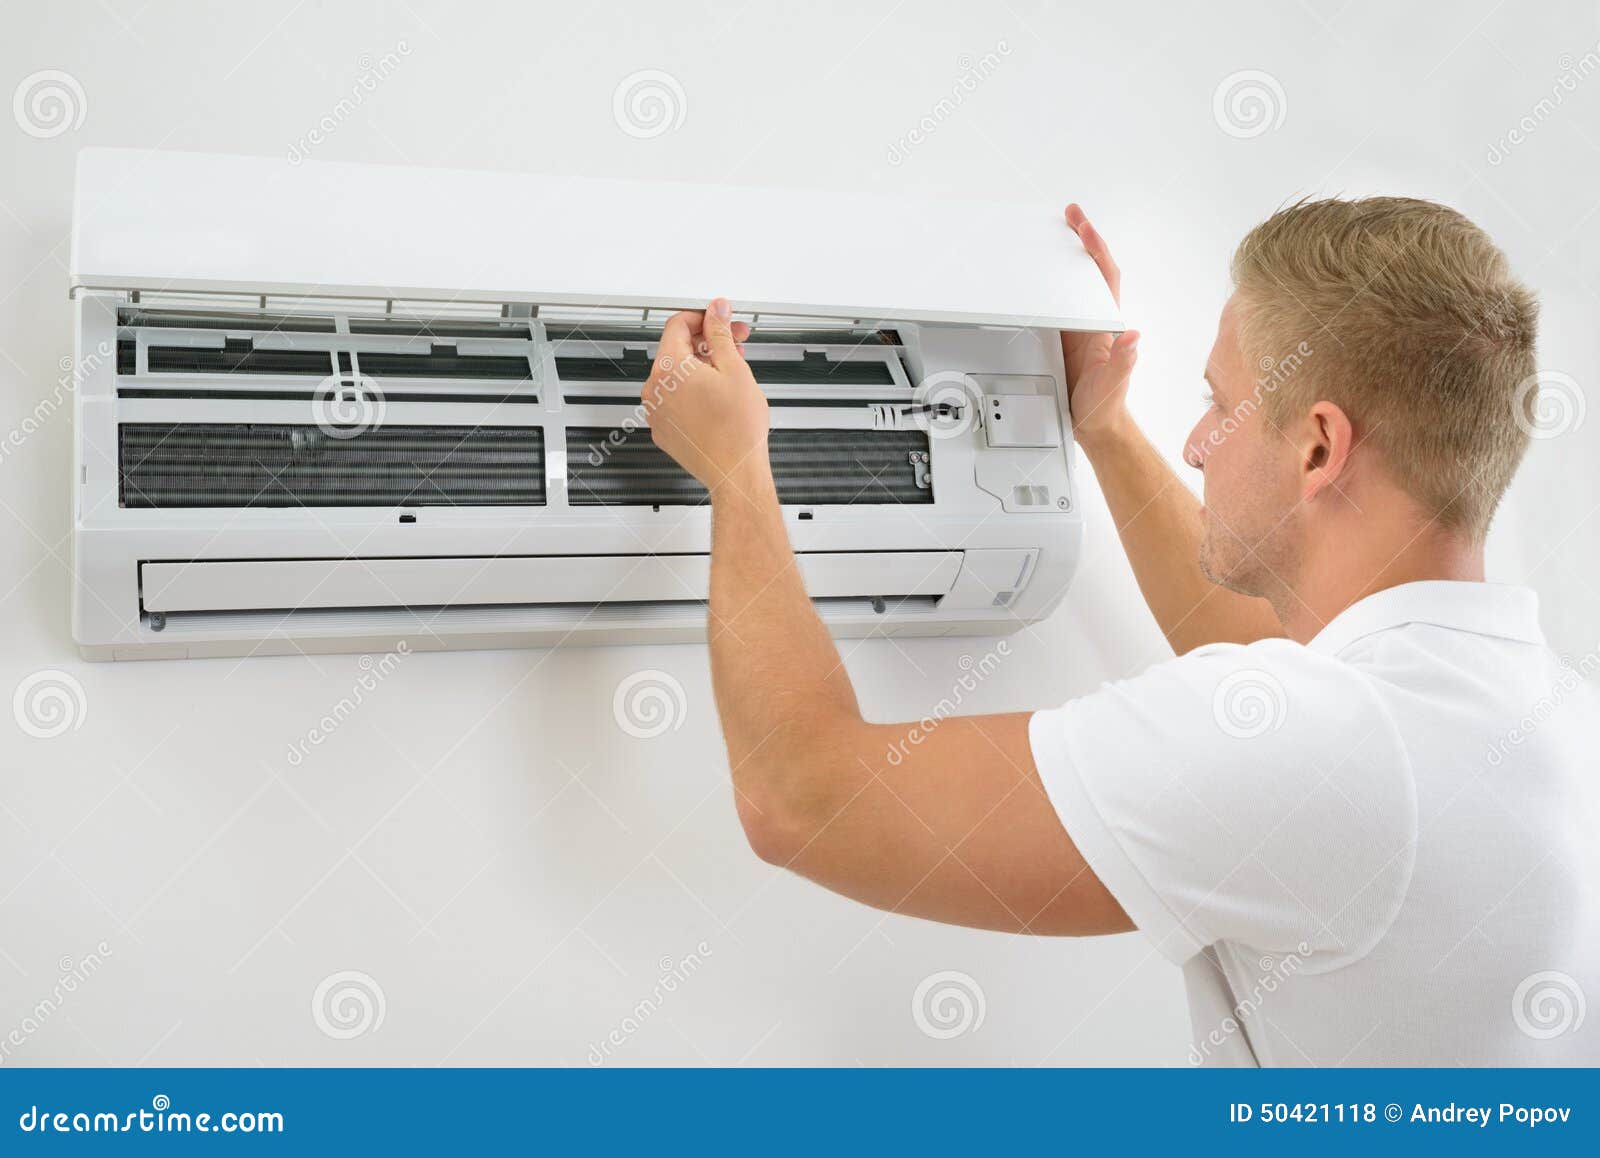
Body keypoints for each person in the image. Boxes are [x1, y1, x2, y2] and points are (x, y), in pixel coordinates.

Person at [639, 197, 1598, 1066]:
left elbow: (803, 800)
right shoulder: (1552, 716)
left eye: (1220, 405)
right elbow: (1296, 683)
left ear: (1318, 448)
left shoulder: (1320, 743)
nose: (1196, 444)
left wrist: (736, 469)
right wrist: (1103, 426)